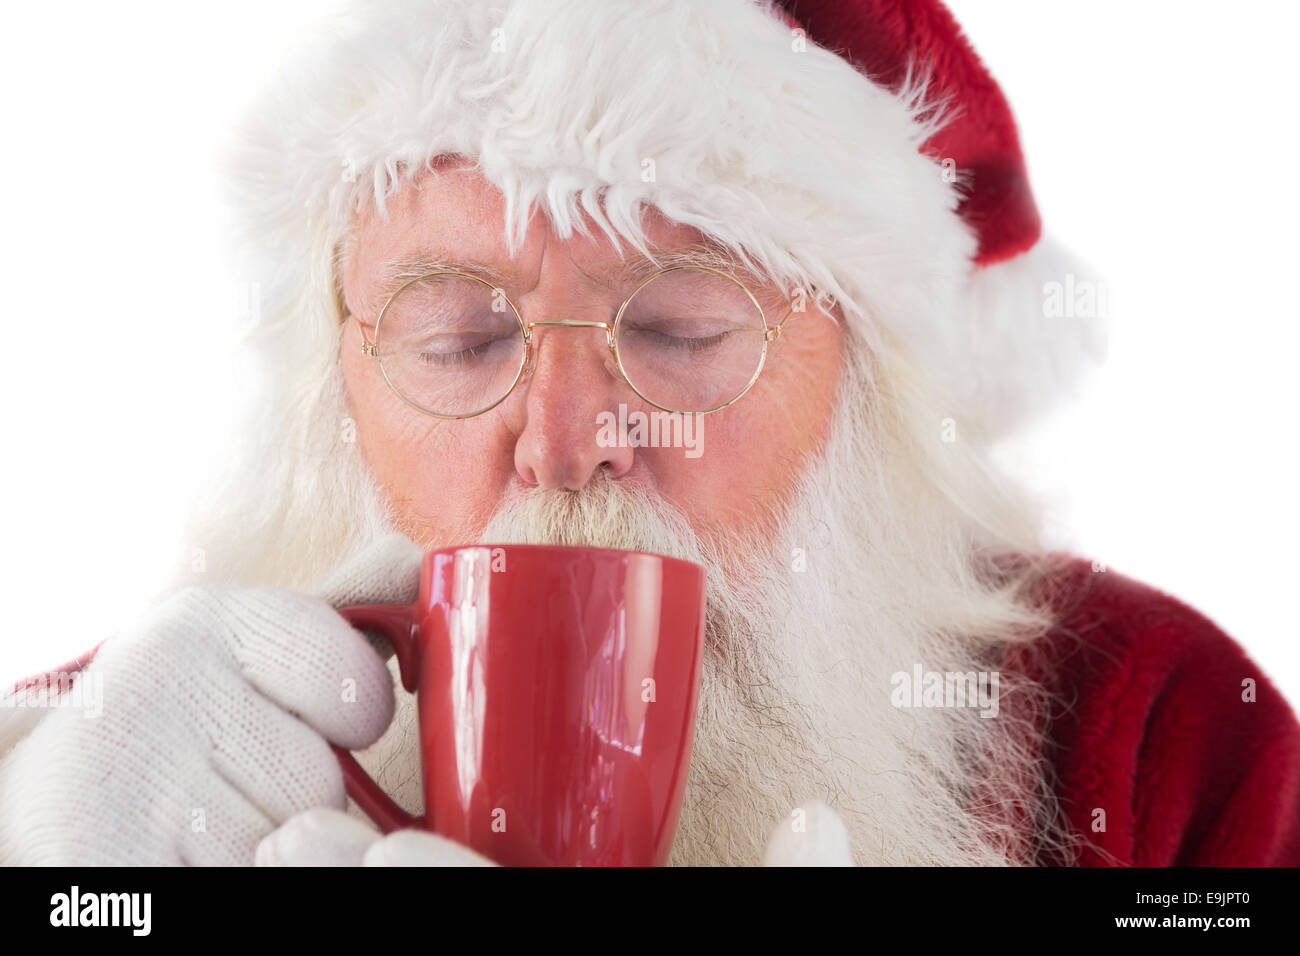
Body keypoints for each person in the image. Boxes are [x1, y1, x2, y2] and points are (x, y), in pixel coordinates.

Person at [2, 0, 1297, 867]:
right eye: (459, 336)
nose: (565, 443)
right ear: (334, 387)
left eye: (680, 330)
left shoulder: (1172, 741)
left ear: (863, 389)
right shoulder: (146, 735)